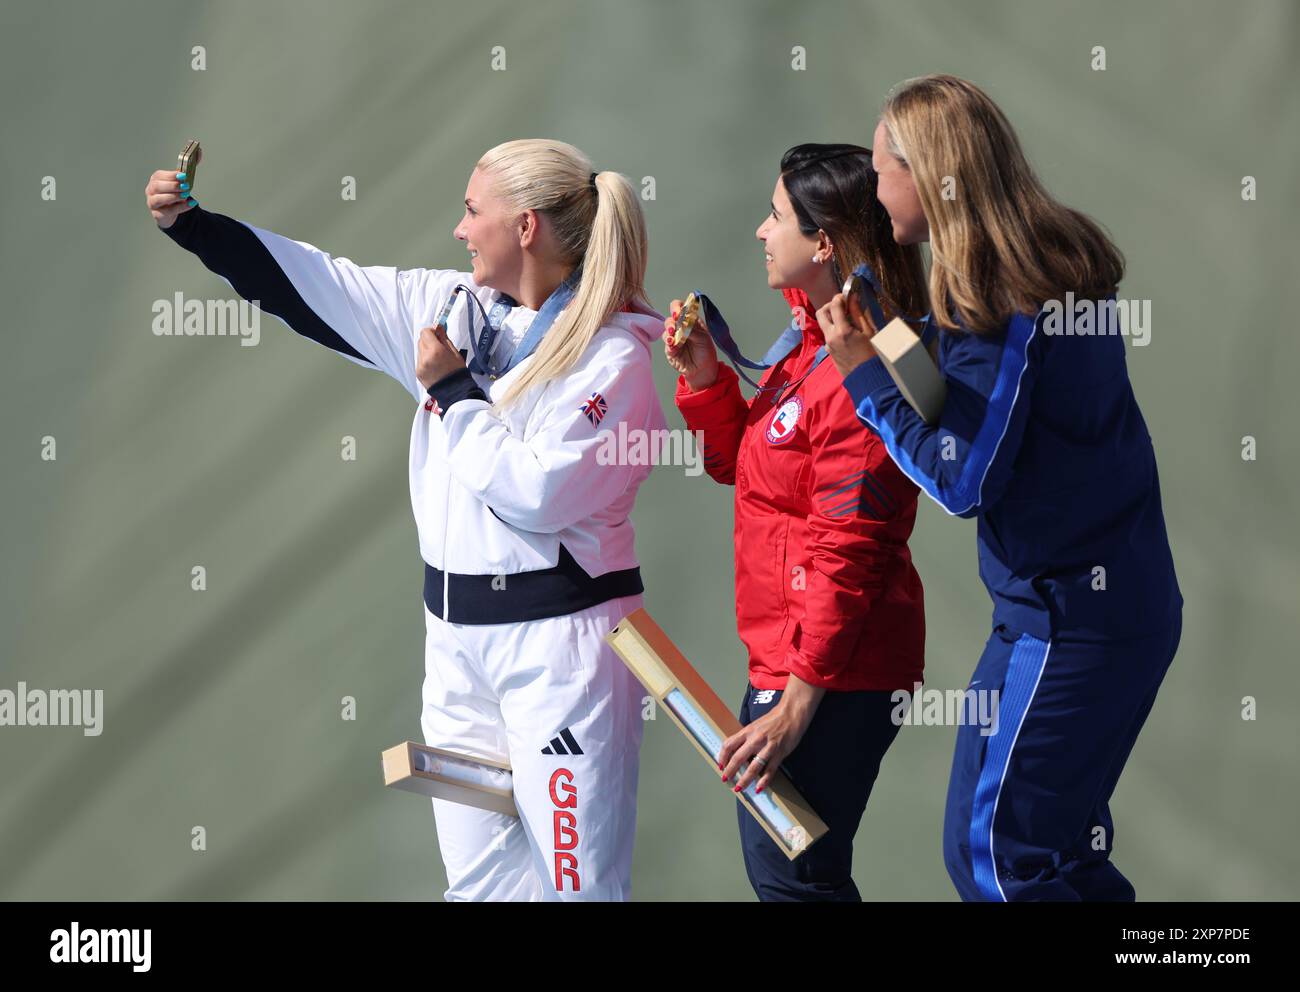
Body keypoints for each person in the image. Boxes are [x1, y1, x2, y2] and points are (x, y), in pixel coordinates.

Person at [145, 139, 667, 901]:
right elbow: (320, 288)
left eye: (471, 211)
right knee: (479, 889)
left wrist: (455, 392)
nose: (459, 230)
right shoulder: (447, 308)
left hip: (560, 656)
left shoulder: (611, 359)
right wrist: (198, 228)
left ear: (524, 227)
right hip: (456, 650)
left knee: (577, 892)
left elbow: (539, 492)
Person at [818, 75, 1184, 901]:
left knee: (1001, 860)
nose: (874, 192)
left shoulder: (998, 298)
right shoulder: (1044, 264)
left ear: (931, 174)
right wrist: (892, 338)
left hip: (1065, 624)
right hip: (1100, 611)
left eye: (883, 171)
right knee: (1049, 858)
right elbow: (991, 413)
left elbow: (965, 477)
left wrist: (863, 382)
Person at [662, 144, 930, 901]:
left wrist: (798, 700)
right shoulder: (813, 343)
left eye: (776, 216)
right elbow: (748, 469)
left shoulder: (858, 359)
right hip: (798, 665)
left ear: (823, 242)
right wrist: (707, 381)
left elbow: (853, 543)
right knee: (796, 882)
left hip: (829, 677)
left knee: (796, 884)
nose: (759, 231)